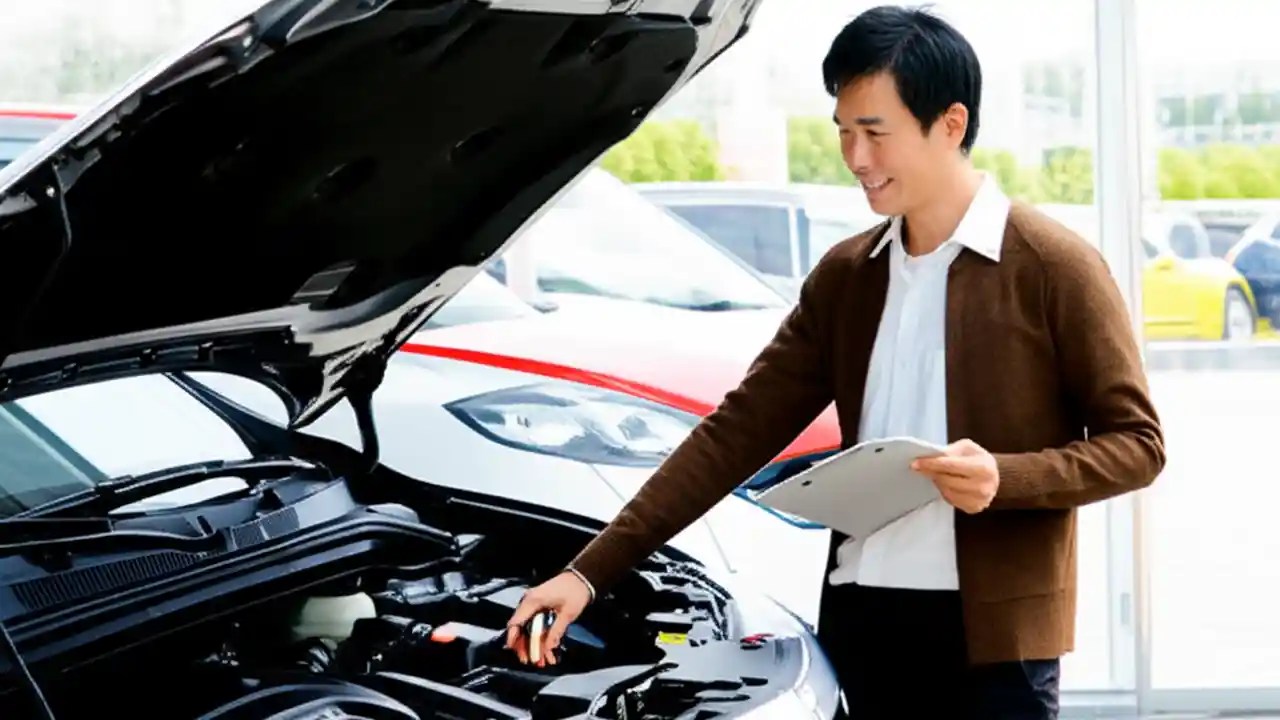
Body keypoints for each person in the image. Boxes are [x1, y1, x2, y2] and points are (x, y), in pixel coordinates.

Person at [504, 5, 1165, 719]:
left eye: (875, 133)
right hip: (860, 624)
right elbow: (735, 433)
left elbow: (1139, 446)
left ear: (950, 124)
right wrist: (588, 573)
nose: (856, 158)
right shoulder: (847, 276)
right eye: (845, 132)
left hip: (995, 644)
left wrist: (1007, 477)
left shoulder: (1053, 265)